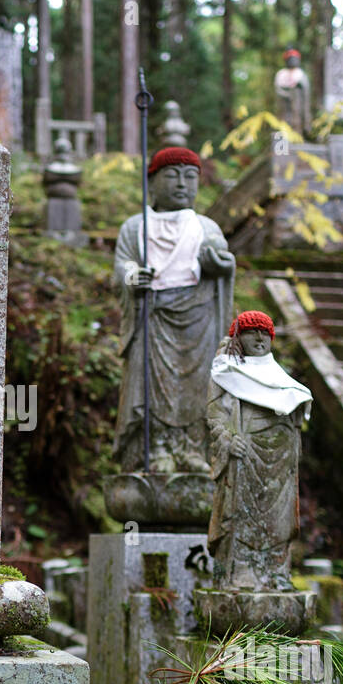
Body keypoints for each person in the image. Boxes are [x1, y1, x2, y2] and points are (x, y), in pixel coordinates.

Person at [112, 146, 235, 474]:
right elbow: (121, 268)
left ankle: (192, 447)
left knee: (198, 388)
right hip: (152, 316)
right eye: (171, 175)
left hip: (200, 319)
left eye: (190, 177)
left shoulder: (207, 227)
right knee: (151, 385)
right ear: (151, 182)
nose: (182, 184)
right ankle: (156, 449)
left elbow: (223, 263)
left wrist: (219, 265)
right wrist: (132, 276)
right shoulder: (135, 226)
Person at [206, 311, 312, 590]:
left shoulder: (277, 375)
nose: (259, 338)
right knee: (240, 513)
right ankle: (241, 570)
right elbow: (215, 414)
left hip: (280, 459)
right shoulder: (225, 369)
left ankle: (276, 571)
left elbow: (296, 407)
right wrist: (227, 440)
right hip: (245, 453)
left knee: (279, 518)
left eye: (264, 333)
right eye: (251, 332)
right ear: (237, 338)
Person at [274, 49, 311, 137]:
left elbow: (306, 91)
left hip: (298, 101)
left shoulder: (301, 74)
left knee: (297, 120)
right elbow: (278, 88)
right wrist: (286, 94)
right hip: (284, 102)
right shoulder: (281, 73)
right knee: (283, 120)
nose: (293, 61)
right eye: (290, 59)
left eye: (295, 59)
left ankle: (298, 136)